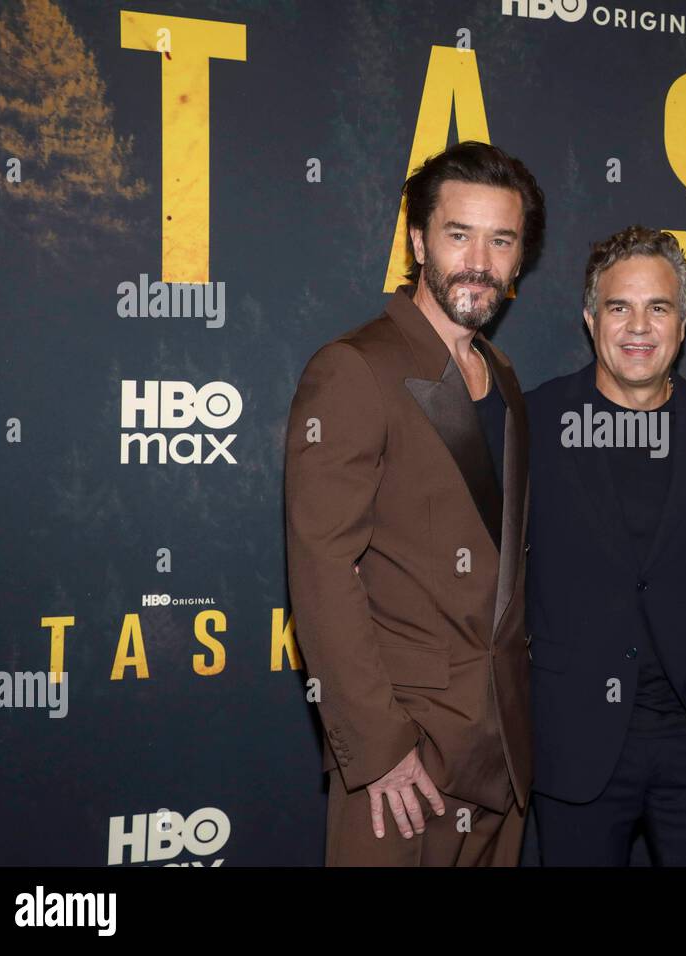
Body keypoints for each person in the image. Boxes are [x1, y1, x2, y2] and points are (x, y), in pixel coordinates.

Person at [284, 141, 545, 866]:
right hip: (407, 760)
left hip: (504, 749)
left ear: (520, 258)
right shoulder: (356, 368)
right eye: (459, 234)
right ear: (417, 240)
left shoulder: (504, 375)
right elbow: (322, 567)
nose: (479, 261)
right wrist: (377, 749)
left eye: (502, 240)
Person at [525, 225, 686, 865]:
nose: (639, 326)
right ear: (590, 319)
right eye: (619, 307)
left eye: (658, 307)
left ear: (684, 323)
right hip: (576, 744)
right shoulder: (533, 425)